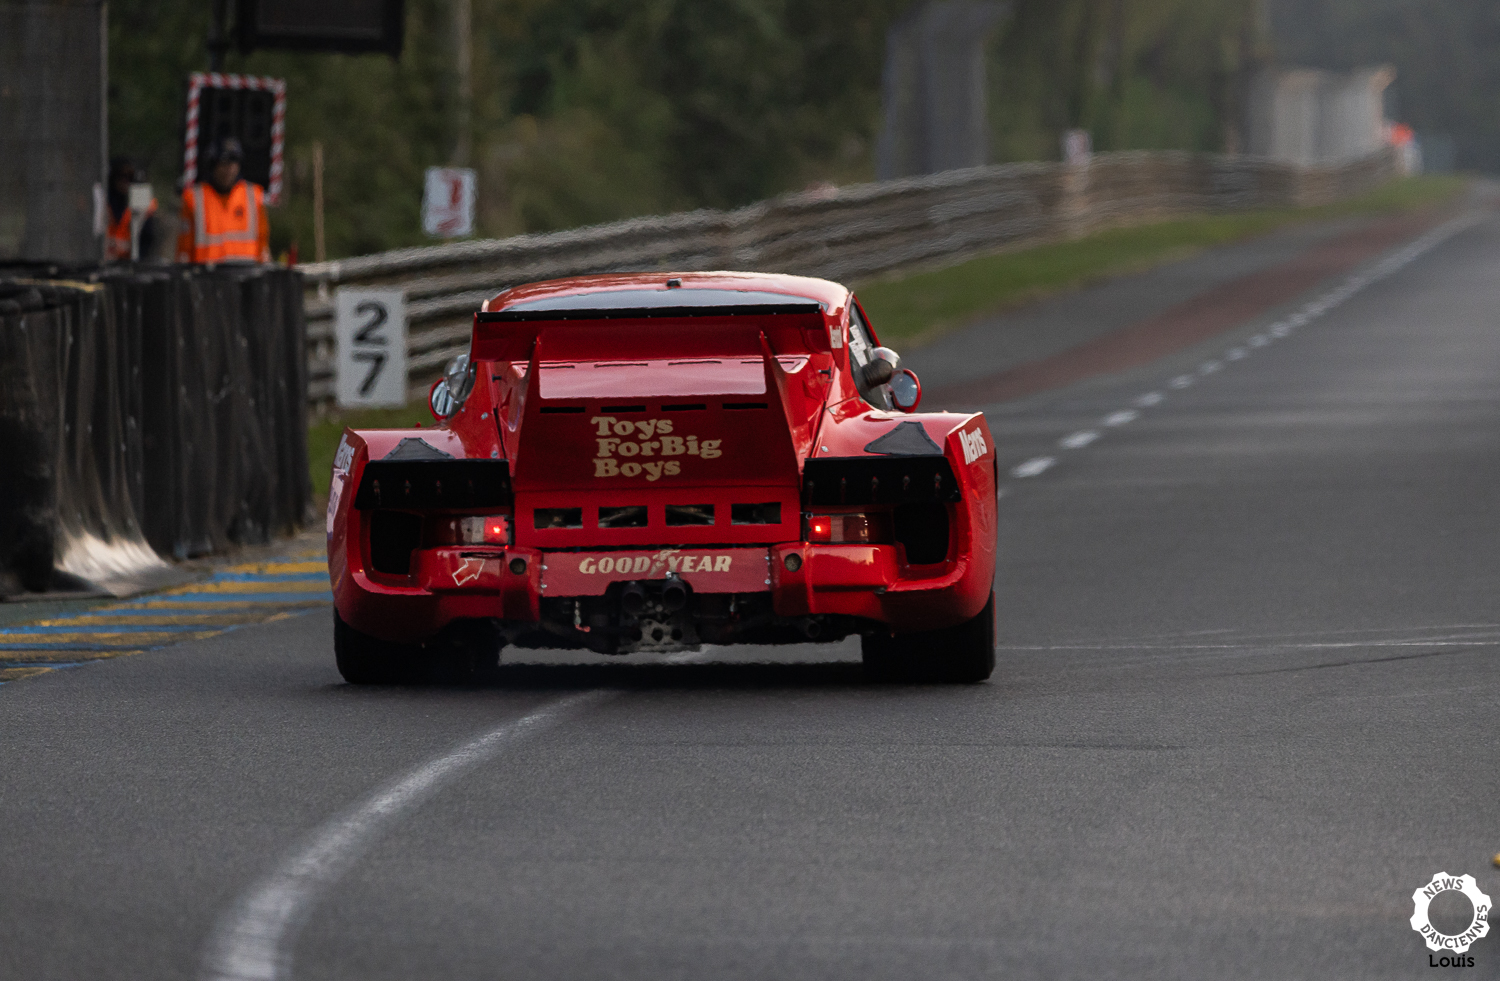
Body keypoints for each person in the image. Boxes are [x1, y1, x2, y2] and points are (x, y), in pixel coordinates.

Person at [176, 138, 270, 264]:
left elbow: (263, 245)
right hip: (206, 277)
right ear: (214, 165)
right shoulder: (194, 198)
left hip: (245, 277)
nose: (229, 170)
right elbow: (184, 248)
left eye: (233, 163)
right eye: (224, 164)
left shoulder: (253, 196)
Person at [104, 157, 158, 262]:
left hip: (130, 265)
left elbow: (147, 242)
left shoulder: (142, 206)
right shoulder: (104, 202)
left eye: (129, 177)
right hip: (104, 262)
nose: (125, 182)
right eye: (121, 177)